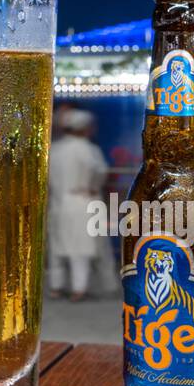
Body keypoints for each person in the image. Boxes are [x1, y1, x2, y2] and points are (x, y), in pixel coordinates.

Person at [47, 108, 108, 301]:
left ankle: (56, 287)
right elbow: (98, 170)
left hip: (56, 202)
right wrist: (92, 187)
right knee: (79, 249)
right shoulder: (87, 149)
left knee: (56, 248)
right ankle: (78, 289)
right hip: (81, 202)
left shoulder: (54, 149)